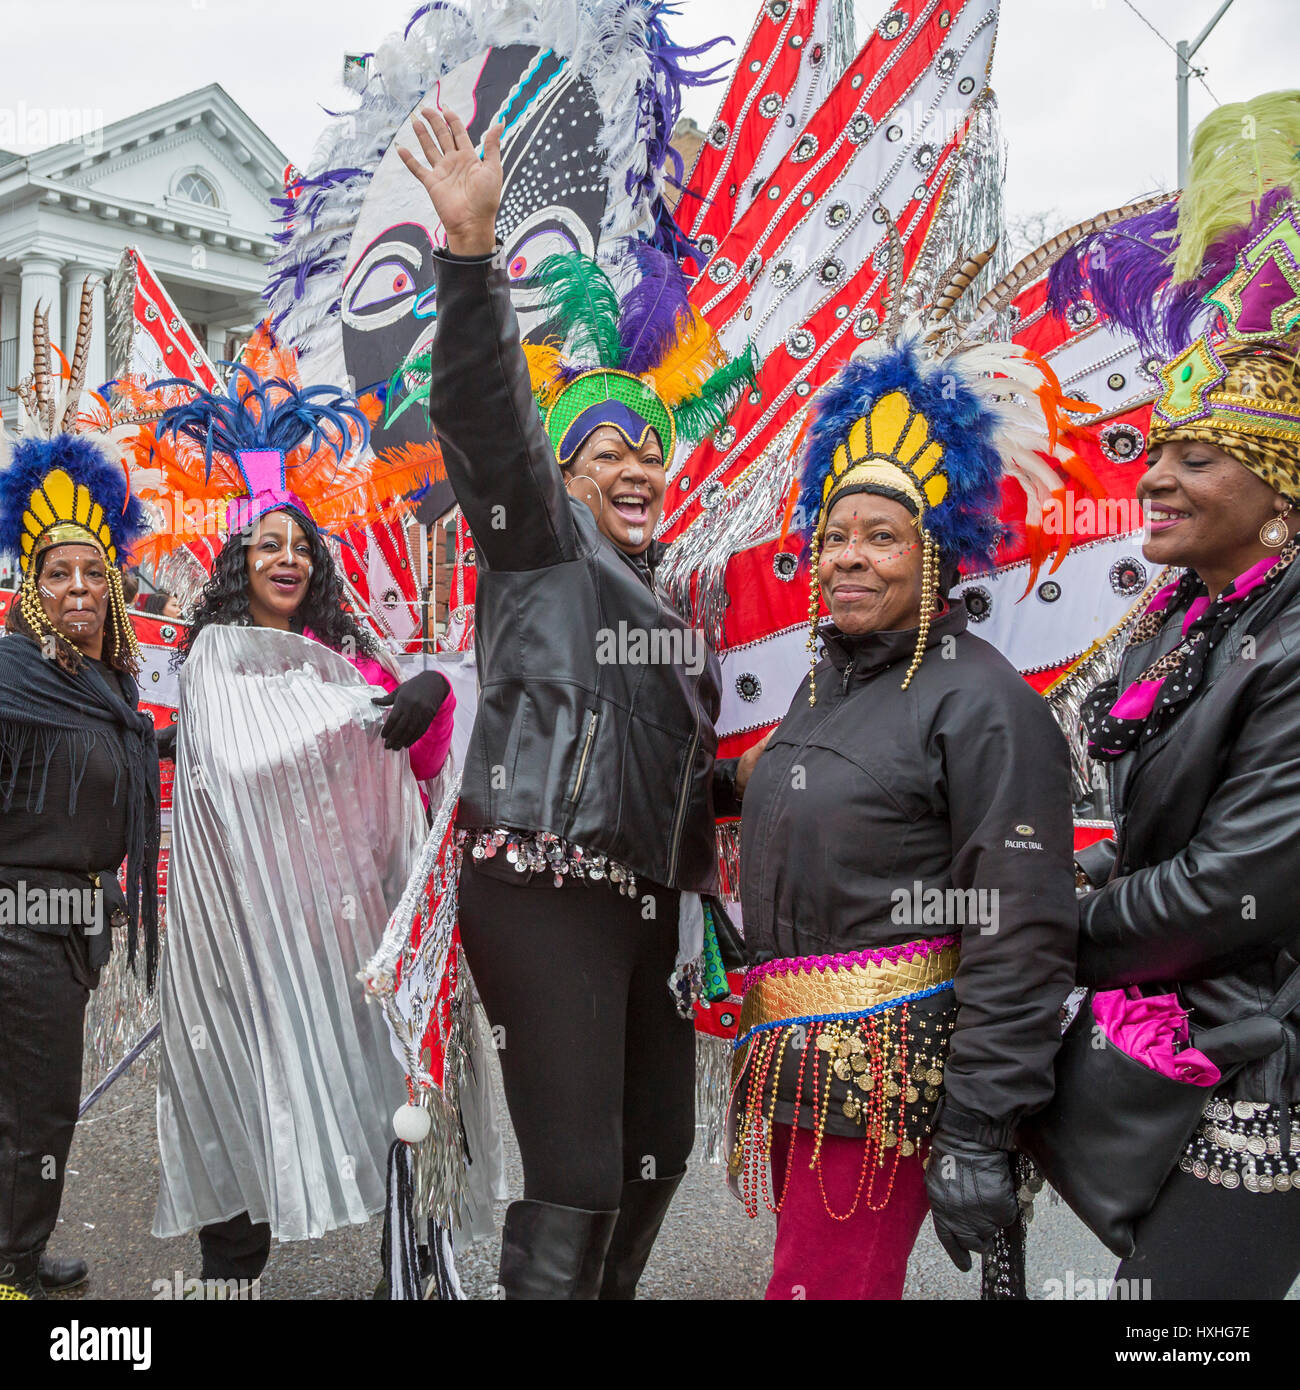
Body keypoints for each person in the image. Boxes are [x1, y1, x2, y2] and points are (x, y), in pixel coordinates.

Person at [400, 107, 755, 1299]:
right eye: (604, 449)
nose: (634, 465)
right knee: (581, 1173)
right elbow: (488, 420)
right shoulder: (540, 546)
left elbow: (678, 774)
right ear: (564, 475)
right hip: (543, 884)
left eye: (648, 450)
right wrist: (470, 256)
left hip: (649, 910)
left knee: (657, 1156)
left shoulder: (676, 623)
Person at [727, 322, 1080, 1300]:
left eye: (880, 537)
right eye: (834, 536)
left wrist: (975, 1127)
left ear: (935, 558)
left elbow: (1021, 930)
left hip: (886, 1080)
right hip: (800, 1067)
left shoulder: (983, 702)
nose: (847, 557)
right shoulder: (823, 685)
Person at [123, 348, 455, 1291]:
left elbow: (412, 773)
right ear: (239, 563)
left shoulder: (342, 665)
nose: (289, 558)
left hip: (340, 928)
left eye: (302, 547)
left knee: (386, 1088)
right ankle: (231, 1278)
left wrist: (424, 707)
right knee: (234, 1090)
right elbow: (241, 762)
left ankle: (413, 1270)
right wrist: (356, 718)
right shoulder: (216, 664)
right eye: (268, 544)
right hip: (235, 933)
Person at [1074, 206, 1300, 1298]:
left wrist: (1046, 927)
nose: (1153, 477)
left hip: (1270, 1053)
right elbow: (1152, 837)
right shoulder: (1178, 622)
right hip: (1185, 1037)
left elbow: (1238, 884)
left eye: (1195, 456)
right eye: (1152, 451)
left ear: (1280, 499)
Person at [0, 310, 160, 1298]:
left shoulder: (111, 687)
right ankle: (12, 1269)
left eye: (91, 573)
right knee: (30, 1107)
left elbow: (137, 760)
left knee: (39, 1106)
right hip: (17, 919)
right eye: (57, 574)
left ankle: (16, 1248)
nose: (76, 589)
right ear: (29, 583)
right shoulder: (10, 676)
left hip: (74, 923)